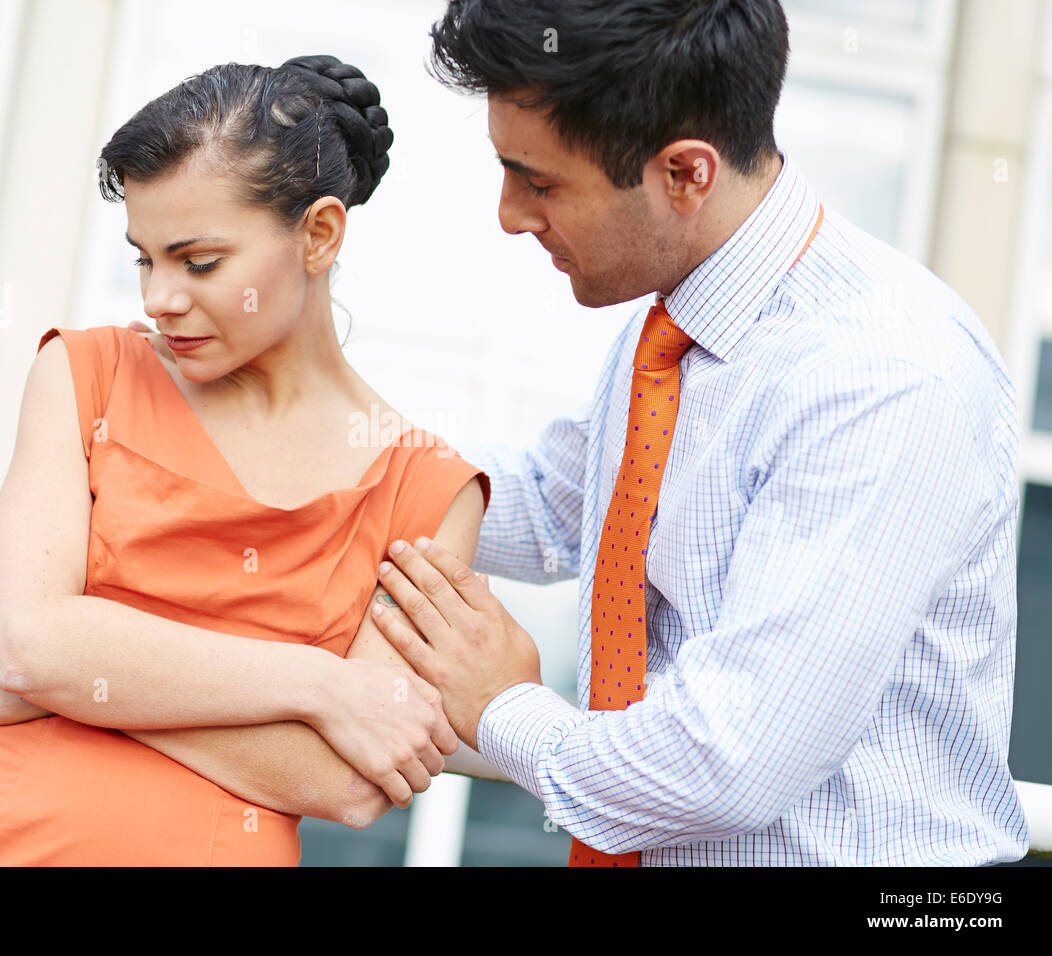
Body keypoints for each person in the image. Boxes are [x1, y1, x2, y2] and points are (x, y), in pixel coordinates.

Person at [369, 0, 1029, 865]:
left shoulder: (885, 372)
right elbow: (550, 502)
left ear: (685, 172)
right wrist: (309, 458)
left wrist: (499, 707)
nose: (509, 215)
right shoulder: (679, 334)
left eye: (538, 181)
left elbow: (729, 757)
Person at [0, 54, 492, 866]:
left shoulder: (424, 490)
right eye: (145, 258)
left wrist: (85, 691)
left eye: (199, 262)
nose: (159, 298)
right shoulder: (86, 375)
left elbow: (347, 783)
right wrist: (318, 685)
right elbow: (29, 644)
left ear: (319, 234)